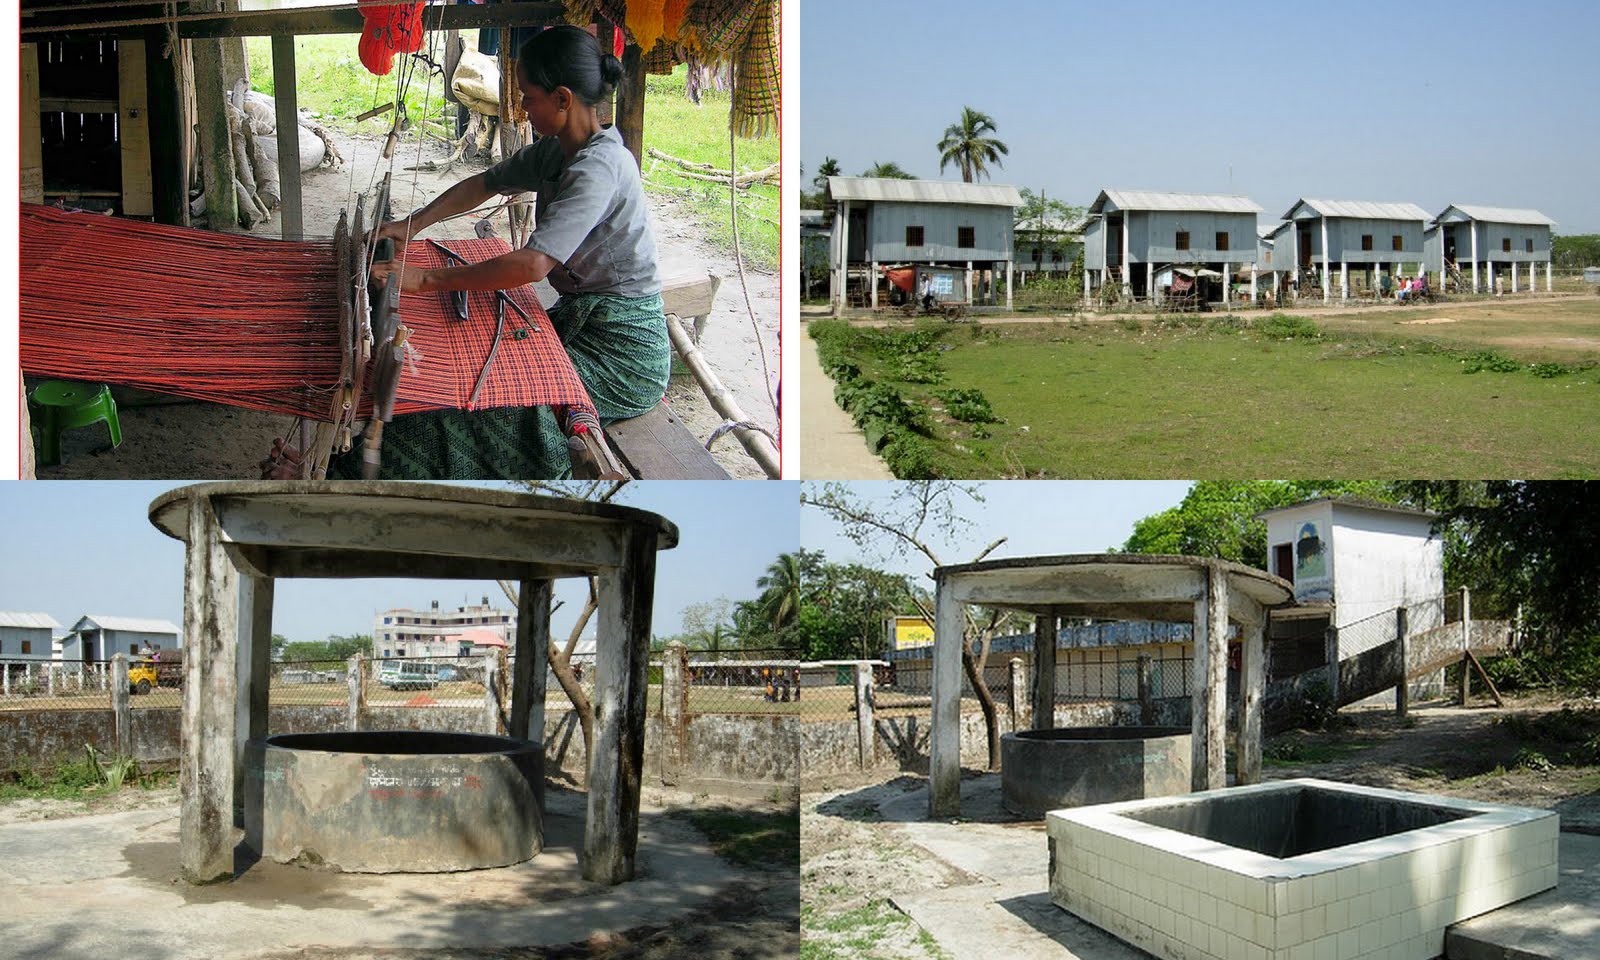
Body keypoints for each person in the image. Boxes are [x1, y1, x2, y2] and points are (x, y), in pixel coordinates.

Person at [343, 25, 668, 479]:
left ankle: (369, 473)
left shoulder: (600, 167)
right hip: (582, 322)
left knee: (500, 404)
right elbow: (485, 182)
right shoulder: (559, 152)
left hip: (623, 350)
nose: (521, 108)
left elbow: (533, 264)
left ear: (562, 99)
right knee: (478, 370)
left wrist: (425, 279)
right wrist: (410, 226)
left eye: (529, 98)